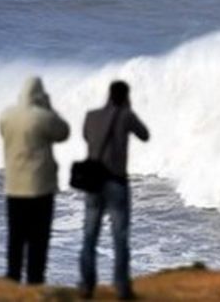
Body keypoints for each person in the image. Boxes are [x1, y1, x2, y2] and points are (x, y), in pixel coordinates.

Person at [79, 80, 150, 300]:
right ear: (126, 97)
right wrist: (127, 110)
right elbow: (144, 135)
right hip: (116, 183)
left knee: (90, 235)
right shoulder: (126, 115)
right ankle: (122, 288)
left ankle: (86, 286)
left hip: (93, 182)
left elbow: (87, 137)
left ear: (108, 95)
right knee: (119, 237)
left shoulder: (91, 116)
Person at [0, 77, 70, 284]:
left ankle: (12, 278)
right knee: (38, 238)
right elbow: (63, 132)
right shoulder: (42, 118)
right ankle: (35, 281)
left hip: (14, 187)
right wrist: (49, 107)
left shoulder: (6, 116)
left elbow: (4, 134)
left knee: (16, 236)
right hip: (39, 188)